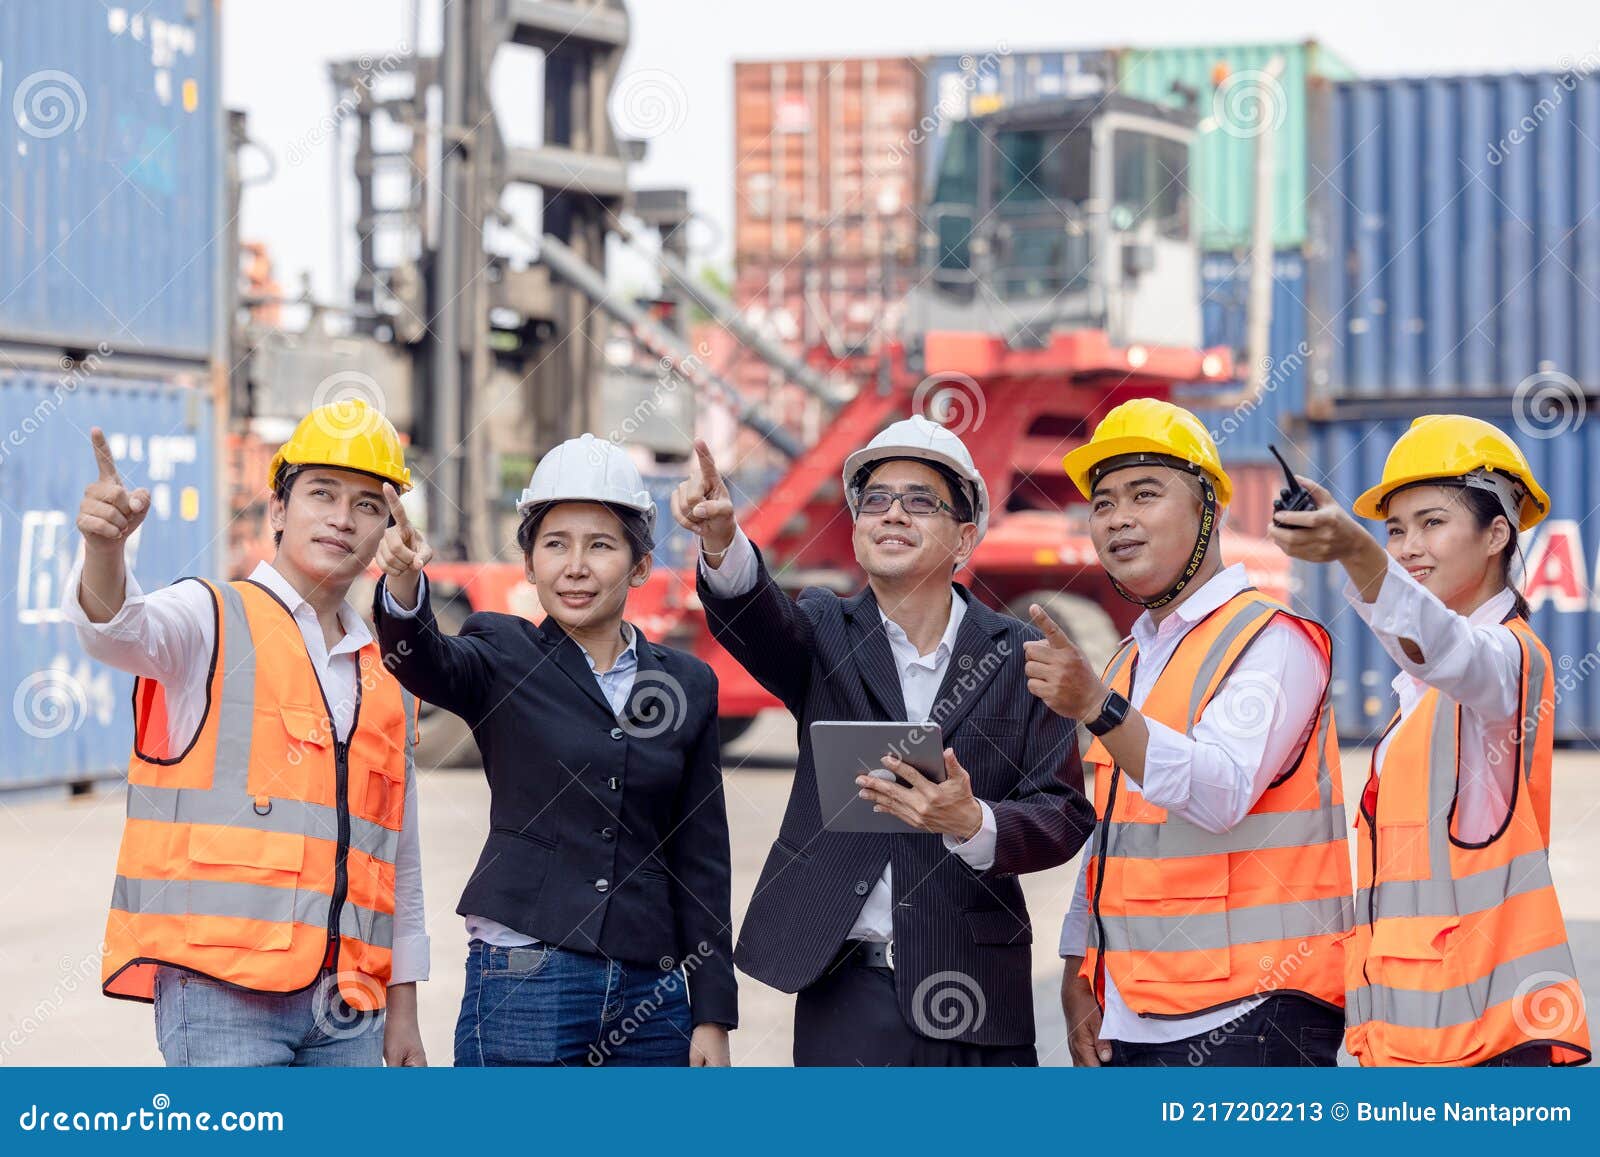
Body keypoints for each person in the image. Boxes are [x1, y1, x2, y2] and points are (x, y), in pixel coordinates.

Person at [674, 417, 1094, 1066]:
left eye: (920, 500)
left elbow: (1063, 814)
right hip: (847, 993)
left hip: (978, 992)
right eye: (876, 500)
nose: (893, 513)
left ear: (965, 537)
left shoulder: (1019, 656)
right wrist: (722, 541)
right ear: (856, 528)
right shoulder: (823, 630)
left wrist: (974, 822)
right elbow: (757, 622)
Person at [66, 402, 428, 1067]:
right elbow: (116, 628)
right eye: (323, 493)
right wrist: (104, 549)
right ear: (279, 510)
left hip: (350, 1005)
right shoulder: (210, 617)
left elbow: (396, 857)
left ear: (386, 528)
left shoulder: (386, 675)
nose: (343, 518)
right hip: (222, 996)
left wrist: (401, 1006)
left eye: (367, 504)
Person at [373, 433, 736, 1067]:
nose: (575, 567)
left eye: (601, 545)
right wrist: (404, 583)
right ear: (529, 563)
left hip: (652, 996)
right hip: (526, 984)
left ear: (641, 566)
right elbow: (422, 660)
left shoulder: (686, 684)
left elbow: (701, 856)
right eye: (555, 544)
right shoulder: (501, 653)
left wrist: (710, 1013)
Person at [1270, 414, 1591, 1067]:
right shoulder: (1420, 691)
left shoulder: (1507, 663)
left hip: (1487, 1045)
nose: (1408, 547)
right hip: (1414, 1039)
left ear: (1496, 533)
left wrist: (1355, 552)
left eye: (1432, 522)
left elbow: (1449, 649)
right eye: (1395, 529)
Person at [1042, 398, 1353, 1068]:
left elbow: (1218, 793)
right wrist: (1079, 969)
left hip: (1254, 1017)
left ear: (1209, 508)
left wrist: (1096, 705)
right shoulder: (1128, 661)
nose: (1117, 517)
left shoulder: (1269, 640)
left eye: (1144, 494)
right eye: (1102, 503)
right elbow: (1113, 838)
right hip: (1135, 1011)